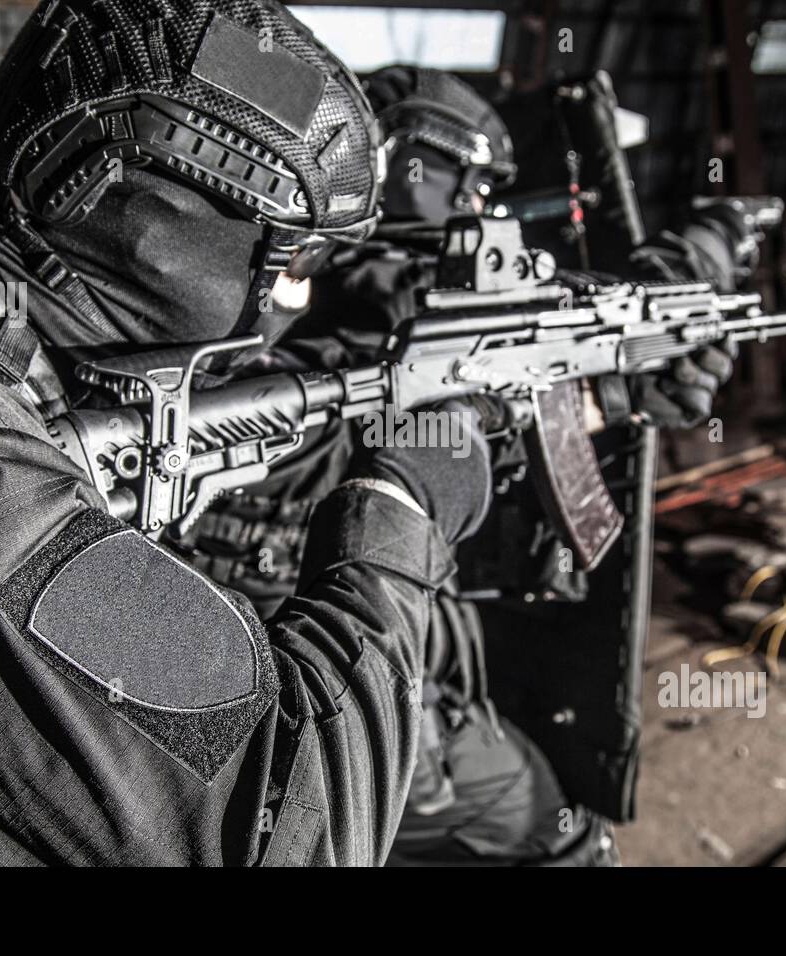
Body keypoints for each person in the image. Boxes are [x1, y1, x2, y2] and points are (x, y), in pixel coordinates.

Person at [0, 0, 491, 866]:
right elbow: (292, 829)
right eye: (294, 261)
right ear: (152, 232)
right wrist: (399, 506)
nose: (301, 299)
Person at [177, 66, 747, 865]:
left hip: (346, 622)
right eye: (468, 180)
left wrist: (613, 394)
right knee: (561, 839)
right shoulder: (336, 294)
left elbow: (479, 421)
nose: (481, 205)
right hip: (302, 650)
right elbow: (347, 439)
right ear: (403, 158)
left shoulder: (305, 272)